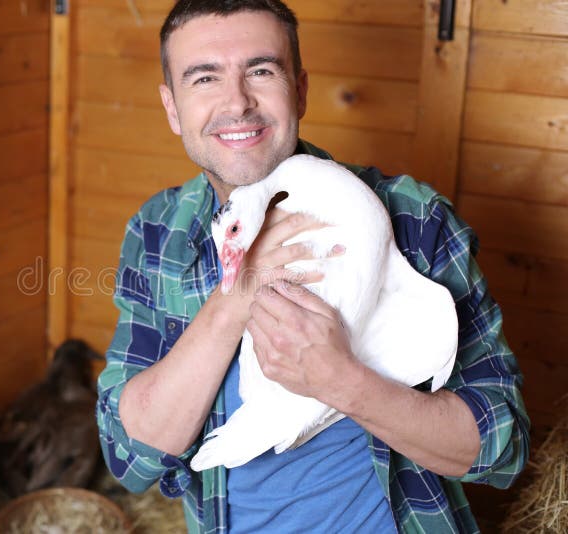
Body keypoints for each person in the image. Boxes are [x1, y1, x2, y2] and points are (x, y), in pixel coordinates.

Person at [95, 1, 530, 532]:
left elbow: (502, 448)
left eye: (260, 70)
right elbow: (131, 457)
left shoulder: (414, 219)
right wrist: (235, 298)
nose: (237, 102)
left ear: (299, 90)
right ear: (172, 108)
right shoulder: (159, 230)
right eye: (204, 77)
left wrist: (343, 381)